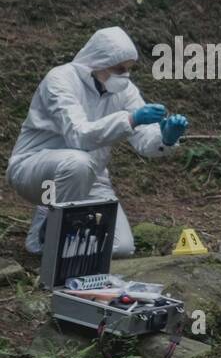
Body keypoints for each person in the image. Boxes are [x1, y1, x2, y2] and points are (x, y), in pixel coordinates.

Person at [7, 26, 189, 256]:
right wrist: (130, 119)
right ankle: (53, 238)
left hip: (91, 177)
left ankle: (49, 235)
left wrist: (166, 137)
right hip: (35, 172)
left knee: (120, 247)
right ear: (98, 62)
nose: (124, 76)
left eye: (128, 70)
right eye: (119, 69)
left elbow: (144, 140)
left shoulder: (124, 90)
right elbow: (78, 135)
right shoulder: (60, 80)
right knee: (77, 162)